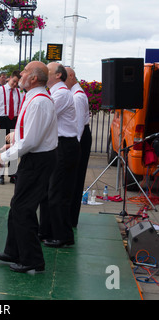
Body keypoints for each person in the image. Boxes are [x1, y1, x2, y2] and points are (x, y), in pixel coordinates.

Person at [0, 61, 58, 273]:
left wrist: (4, 156)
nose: (20, 74)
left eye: (25, 71)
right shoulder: (33, 97)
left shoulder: (39, 101)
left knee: (23, 208)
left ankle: (32, 260)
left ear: (34, 79)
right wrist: (12, 137)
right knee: (18, 205)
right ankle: (14, 250)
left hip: (38, 161)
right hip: (34, 159)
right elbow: (28, 131)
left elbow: (31, 140)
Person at [39, 62, 80, 248]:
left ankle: (63, 235)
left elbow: (47, 115)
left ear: (58, 76)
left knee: (57, 192)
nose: (44, 73)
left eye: (48, 71)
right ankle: (47, 230)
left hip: (65, 145)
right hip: (60, 144)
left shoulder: (61, 93)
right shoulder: (56, 92)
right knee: (50, 191)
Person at [65, 67, 92, 228]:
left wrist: (74, 147)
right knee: (73, 179)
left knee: (75, 179)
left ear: (72, 76)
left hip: (80, 139)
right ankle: (69, 217)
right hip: (80, 138)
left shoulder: (77, 96)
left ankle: (70, 218)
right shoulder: (75, 94)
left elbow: (79, 126)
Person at [0, 70, 23, 185]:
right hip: (2, 120)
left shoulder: (20, 92)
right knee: (1, 147)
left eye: (17, 83)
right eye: (14, 81)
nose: (15, 84)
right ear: (10, 78)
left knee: (14, 146)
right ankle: (0, 174)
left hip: (14, 121)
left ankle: (12, 173)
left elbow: (21, 109)